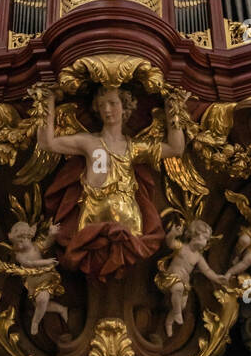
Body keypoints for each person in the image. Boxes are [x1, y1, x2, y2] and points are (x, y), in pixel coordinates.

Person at [38, 85, 184, 280]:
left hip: (129, 220)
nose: (107, 110)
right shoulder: (88, 142)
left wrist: (173, 107)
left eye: (112, 103)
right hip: (92, 216)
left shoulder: (134, 148)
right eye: (101, 104)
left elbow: (176, 148)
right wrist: (47, 102)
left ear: (125, 107)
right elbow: (47, 143)